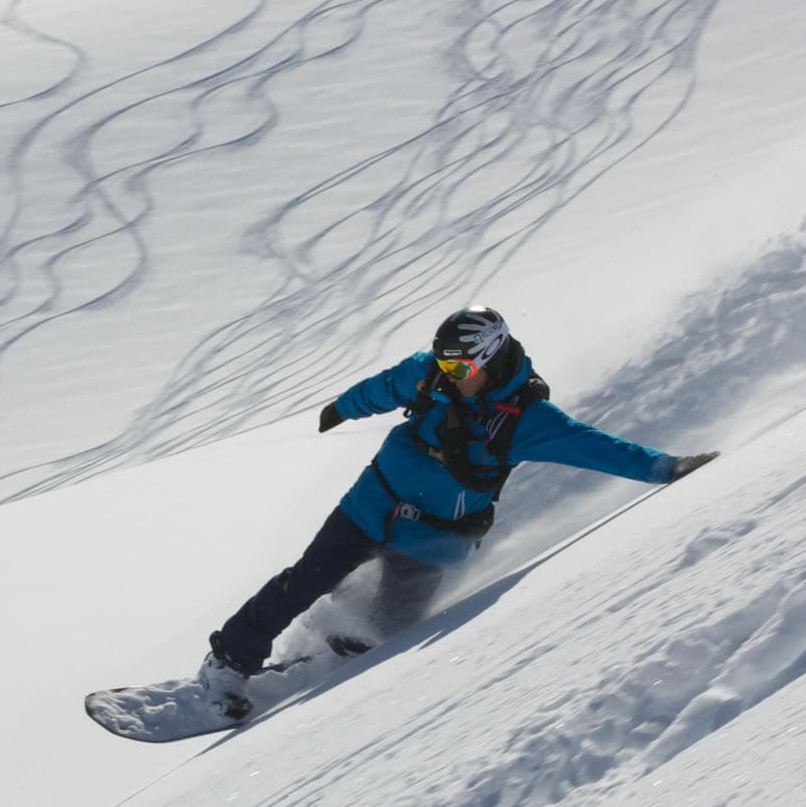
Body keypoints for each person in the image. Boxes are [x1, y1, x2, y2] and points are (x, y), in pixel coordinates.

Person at [199, 304, 716, 718]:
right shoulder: (431, 374)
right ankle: (228, 661)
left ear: (491, 361)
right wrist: (342, 407)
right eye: (444, 364)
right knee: (305, 580)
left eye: (460, 368)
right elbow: (384, 386)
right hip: (371, 502)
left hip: (433, 540)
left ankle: (333, 649)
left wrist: (664, 467)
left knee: (386, 630)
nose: (448, 375)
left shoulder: (527, 420)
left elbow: (595, 446)